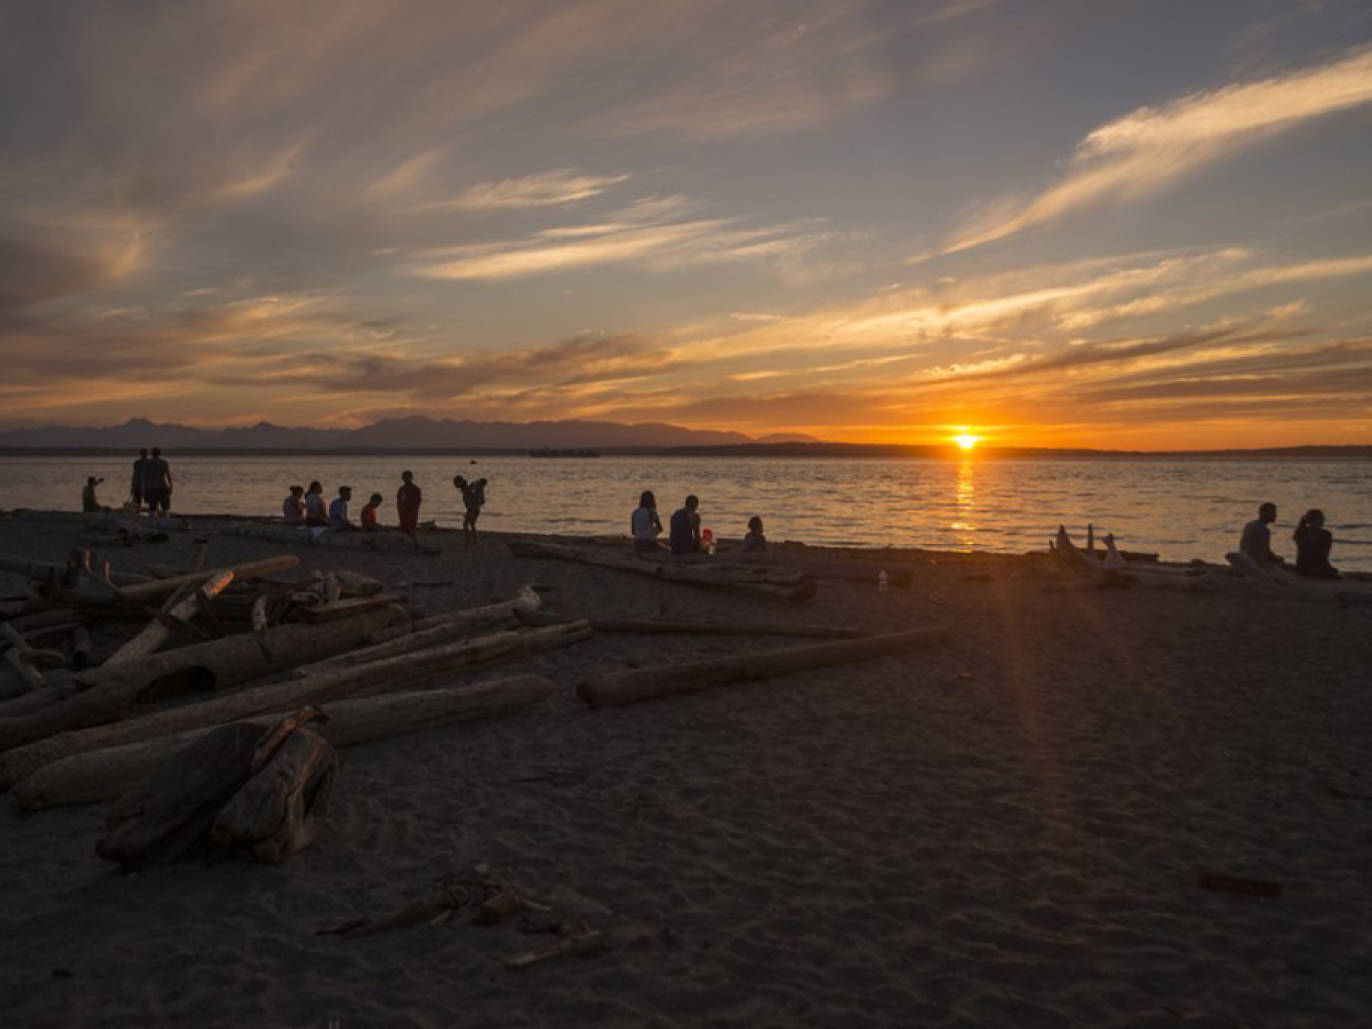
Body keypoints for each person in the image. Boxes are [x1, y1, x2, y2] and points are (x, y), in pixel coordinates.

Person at [1293, 508, 1339, 579]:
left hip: (1301, 568)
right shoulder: (1326, 534)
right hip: (1315, 569)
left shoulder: (1300, 531)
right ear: (1318, 520)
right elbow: (1323, 556)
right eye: (1323, 518)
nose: (1324, 520)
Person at [1238, 502, 1284, 567]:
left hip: (1244, 557)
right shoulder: (1263, 529)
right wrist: (1277, 559)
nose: (1275, 515)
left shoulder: (1249, 524)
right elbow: (1266, 551)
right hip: (1254, 562)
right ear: (1263, 513)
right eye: (1272, 513)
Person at [453, 475, 487, 544]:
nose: (455, 485)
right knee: (471, 524)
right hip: (474, 509)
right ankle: (475, 540)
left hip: (473, 509)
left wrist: (473, 485)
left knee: (466, 524)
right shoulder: (467, 488)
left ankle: (468, 540)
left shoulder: (466, 488)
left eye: (456, 483)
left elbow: (467, 491)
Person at [396, 470, 422, 537]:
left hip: (412, 512)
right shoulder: (401, 489)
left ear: (411, 478)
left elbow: (418, 501)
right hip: (402, 511)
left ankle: (413, 539)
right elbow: (398, 500)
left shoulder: (415, 489)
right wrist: (399, 509)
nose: (406, 479)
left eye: (408, 477)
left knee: (411, 528)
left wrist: (413, 510)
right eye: (405, 478)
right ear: (402, 478)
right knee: (403, 527)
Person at [130, 449, 148, 513]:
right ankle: (136, 513)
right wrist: (132, 487)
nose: (144, 455)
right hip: (138, 485)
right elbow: (134, 475)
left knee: (152, 502)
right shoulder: (137, 463)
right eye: (143, 454)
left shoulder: (149, 463)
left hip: (148, 485)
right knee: (137, 502)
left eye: (145, 454)